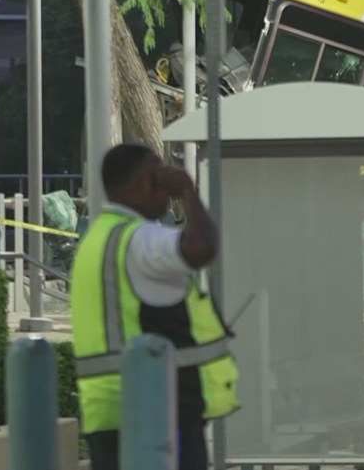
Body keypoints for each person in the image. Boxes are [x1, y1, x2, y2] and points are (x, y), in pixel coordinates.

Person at [70, 143, 240, 470]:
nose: (164, 186)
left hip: (106, 415)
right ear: (134, 184)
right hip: (158, 413)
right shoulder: (140, 240)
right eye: (156, 177)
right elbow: (202, 247)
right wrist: (187, 191)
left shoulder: (96, 241)